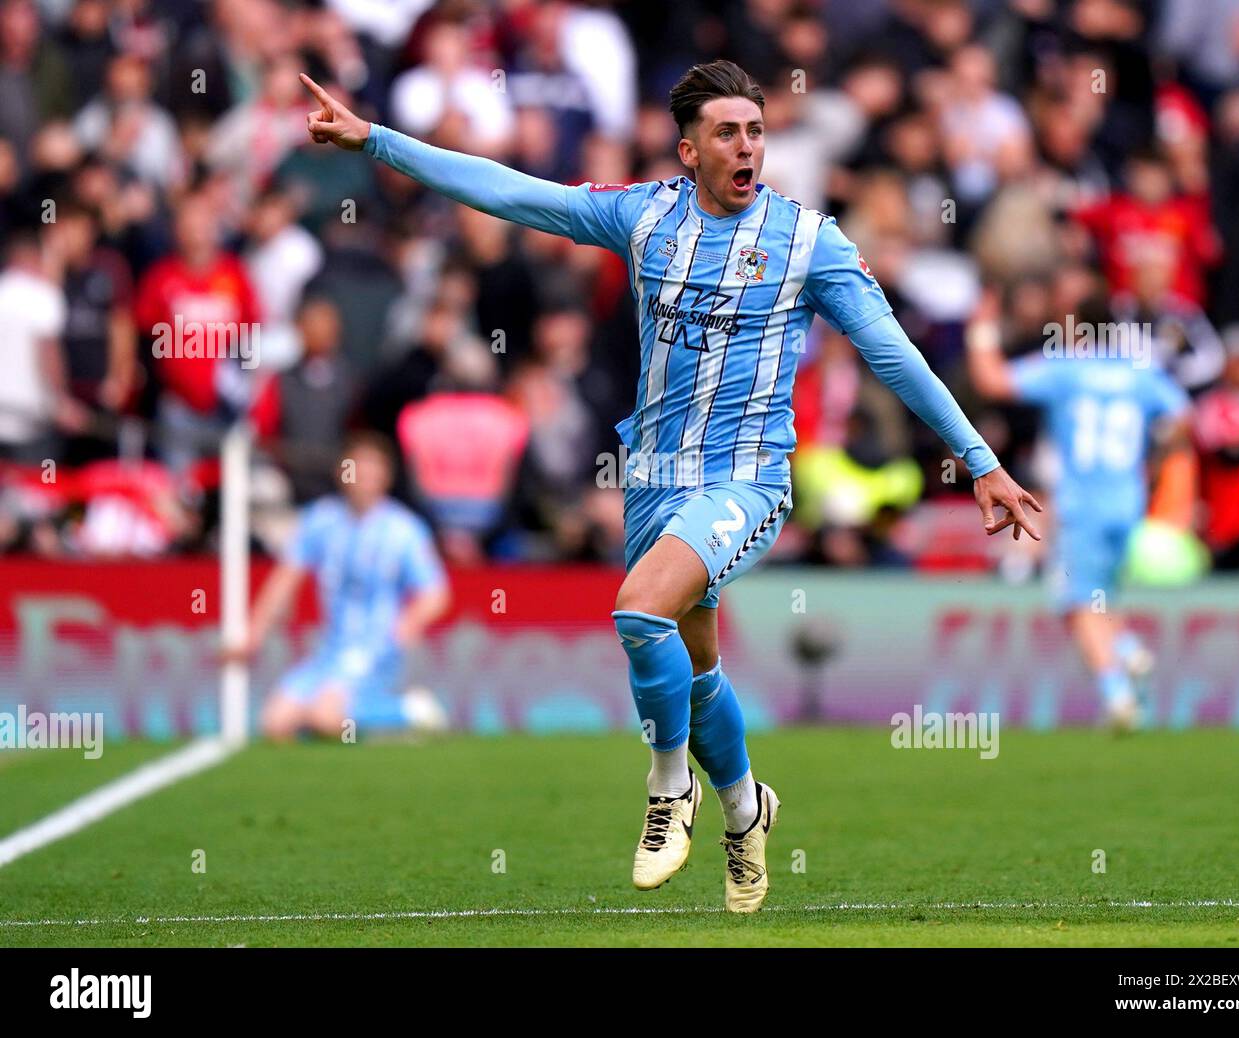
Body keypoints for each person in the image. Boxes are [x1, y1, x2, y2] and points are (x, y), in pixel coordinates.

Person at [299, 59, 1040, 912]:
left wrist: (979, 458)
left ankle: (667, 789)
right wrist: (377, 140)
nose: (746, 146)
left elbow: (891, 352)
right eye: (727, 132)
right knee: (693, 666)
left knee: (638, 609)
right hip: (653, 479)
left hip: (747, 478)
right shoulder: (643, 216)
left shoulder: (808, 242)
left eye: (755, 131)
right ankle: (745, 807)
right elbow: (509, 191)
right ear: (688, 150)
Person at [966, 292, 1192, 730]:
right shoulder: (1139, 375)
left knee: (1075, 602)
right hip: (1128, 501)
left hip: (1081, 503)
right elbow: (1183, 416)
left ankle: (1116, 691)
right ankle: (1127, 647)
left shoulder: (1066, 370)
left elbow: (991, 381)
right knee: (1100, 593)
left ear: (1077, 327)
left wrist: (980, 328)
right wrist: (1155, 458)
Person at [227, 431, 450, 741]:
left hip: (375, 649)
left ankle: (410, 710)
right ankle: (377, 728)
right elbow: (285, 579)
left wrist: (407, 623)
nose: (364, 477)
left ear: (386, 476)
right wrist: (254, 632)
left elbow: (436, 593)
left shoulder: (403, 529)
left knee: (325, 716)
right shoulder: (322, 520)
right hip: (330, 650)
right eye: (357, 468)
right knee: (274, 724)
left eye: (374, 469)